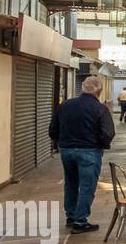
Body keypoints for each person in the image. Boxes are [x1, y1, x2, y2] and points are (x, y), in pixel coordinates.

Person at [49, 75, 115, 233]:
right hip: (89, 151)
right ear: (98, 92)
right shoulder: (100, 108)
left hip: (66, 151)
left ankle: (71, 216)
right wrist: (101, 145)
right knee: (87, 186)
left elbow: (52, 129)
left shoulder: (65, 105)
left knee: (70, 184)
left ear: (83, 89)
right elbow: (108, 133)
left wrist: (61, 143)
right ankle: (80, 220)